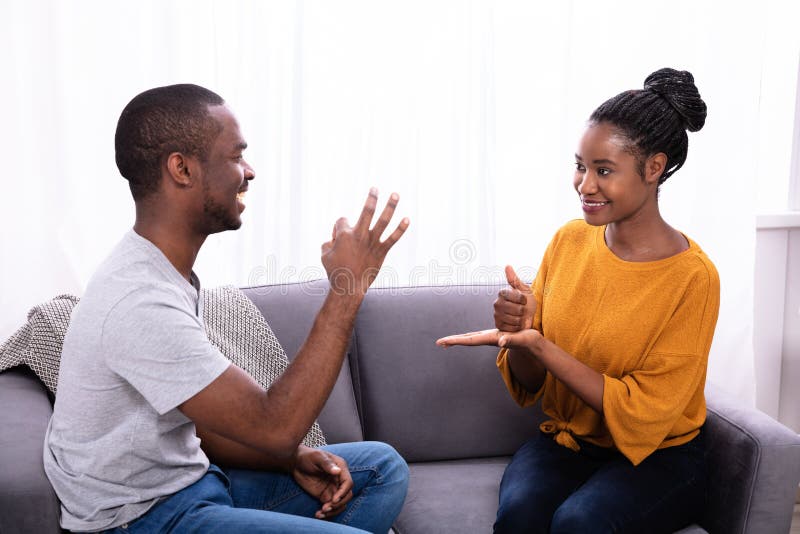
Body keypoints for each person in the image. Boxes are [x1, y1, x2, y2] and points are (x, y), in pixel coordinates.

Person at [43, 84, 410, 533]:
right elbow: (275, 426)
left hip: (195, 483)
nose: (249, 171)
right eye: (236, 156)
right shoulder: (140, 301)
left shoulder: (161, 272)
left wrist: (290, 459)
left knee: (382, 468)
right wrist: (346, 289)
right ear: (181, 168)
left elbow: (207, 419)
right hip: (145, 519)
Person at [437, 68, 719, 533]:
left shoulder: (694, 278)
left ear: (653, 168)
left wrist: (544, 345)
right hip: (568, 443)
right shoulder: (569, 242)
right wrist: (522, 340)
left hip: (659, 459)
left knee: (578, 523)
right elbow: (533, 383)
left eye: (603, 170)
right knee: (520, 517)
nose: (584, 185)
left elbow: (644, 413)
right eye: (580, 166)